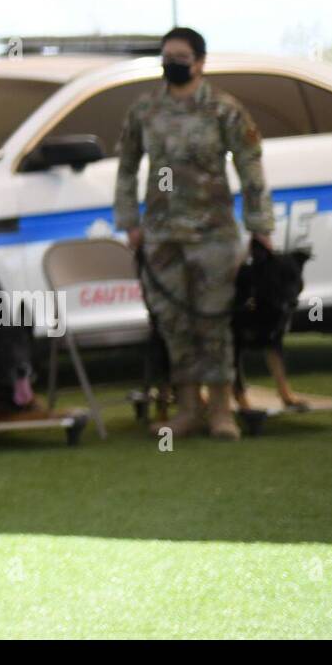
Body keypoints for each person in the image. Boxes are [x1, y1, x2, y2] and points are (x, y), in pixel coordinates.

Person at [115, 27, 274, 440]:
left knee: (213, 321)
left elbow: (250, 166)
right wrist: (129, 220)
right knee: (174, 322)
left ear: (200, 62)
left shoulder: (224, 110)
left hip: (213, 235)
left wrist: (260, 227)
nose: (172, 63)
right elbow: (127, 166)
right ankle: (188, 410)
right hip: (162, 236)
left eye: (181, 56)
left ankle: (221, 411)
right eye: (167, 56)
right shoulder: (145, 110)